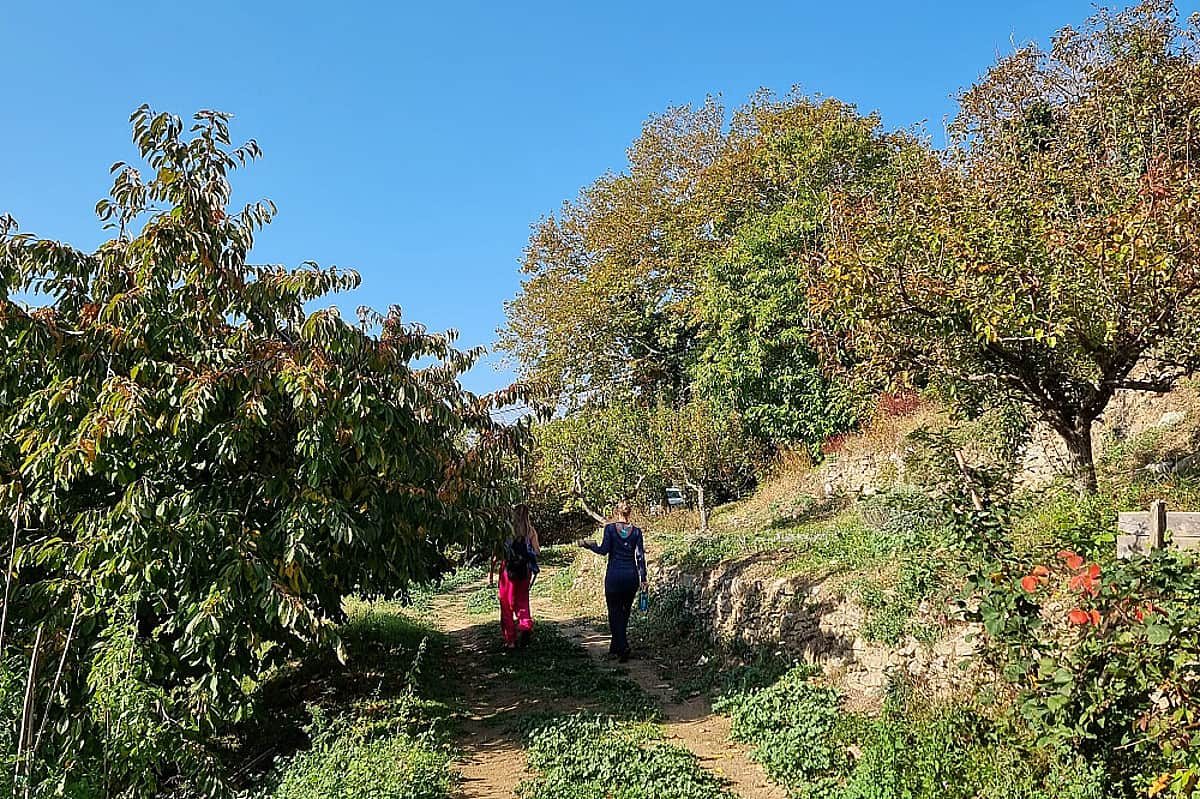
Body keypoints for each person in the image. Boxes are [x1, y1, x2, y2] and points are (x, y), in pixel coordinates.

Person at [579, 500, 647, 662]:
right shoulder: (636, 532)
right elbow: (640, 557)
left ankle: (623, 646)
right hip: (631, 577)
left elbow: (603, 550)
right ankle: (615, 647)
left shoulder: (610, 529)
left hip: (614, 577)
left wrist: (589, 545)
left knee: (614, 613)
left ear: (616, 513)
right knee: (624, 612)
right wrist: (643, 578)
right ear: (628, 513)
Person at [490, 503, 541, 649]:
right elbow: (538, 552)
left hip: (508, 571)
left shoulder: (506, 531)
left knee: (506, 605)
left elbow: (497, 553)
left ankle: (510, 640)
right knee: (523, 601)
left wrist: (492, 572)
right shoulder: (530, 531)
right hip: (524, 571)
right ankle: (525, 626)